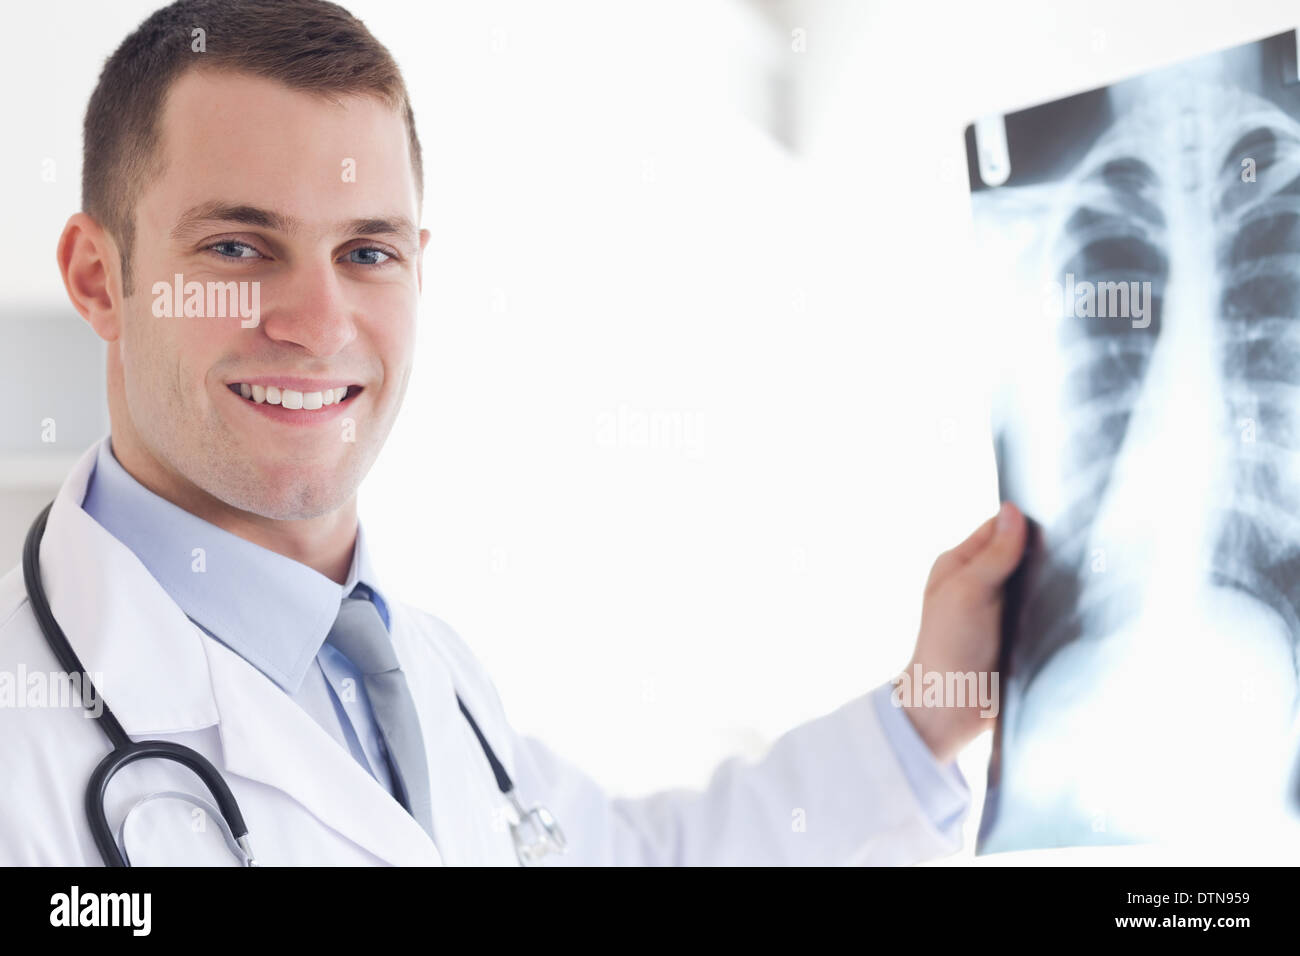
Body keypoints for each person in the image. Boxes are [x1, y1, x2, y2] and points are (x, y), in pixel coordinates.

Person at [0, 0, 1027, 866]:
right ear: (101, 277)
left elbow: (631, 859)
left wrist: (931, 709)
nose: (317, 324)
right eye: (236, 245)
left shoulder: (428, 673)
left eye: (367, 252)